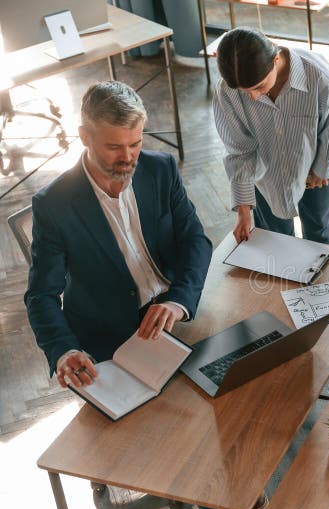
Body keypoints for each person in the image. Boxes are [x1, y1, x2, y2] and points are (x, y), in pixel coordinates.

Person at [25, 81, 212, 389]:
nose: (128, 157)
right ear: (85, 136)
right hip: (111, 339)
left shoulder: (161, 169)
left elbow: (195, 239)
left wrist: (179, 301)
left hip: (177, 311)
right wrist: (64, 350)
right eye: (114, 147)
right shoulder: (54, 204)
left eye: (135, 143)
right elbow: (41, 294)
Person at [213, 27, 329, 245]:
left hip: (314, 170)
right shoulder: (227, 92)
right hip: (265, 178)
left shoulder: (319, 77)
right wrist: (243, 212)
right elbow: (239, 151)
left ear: (276, 60)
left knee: (320, 234)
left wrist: (322, 168)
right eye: (245, 92)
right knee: (274, 240)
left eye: (259, 86)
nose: (253, 97)